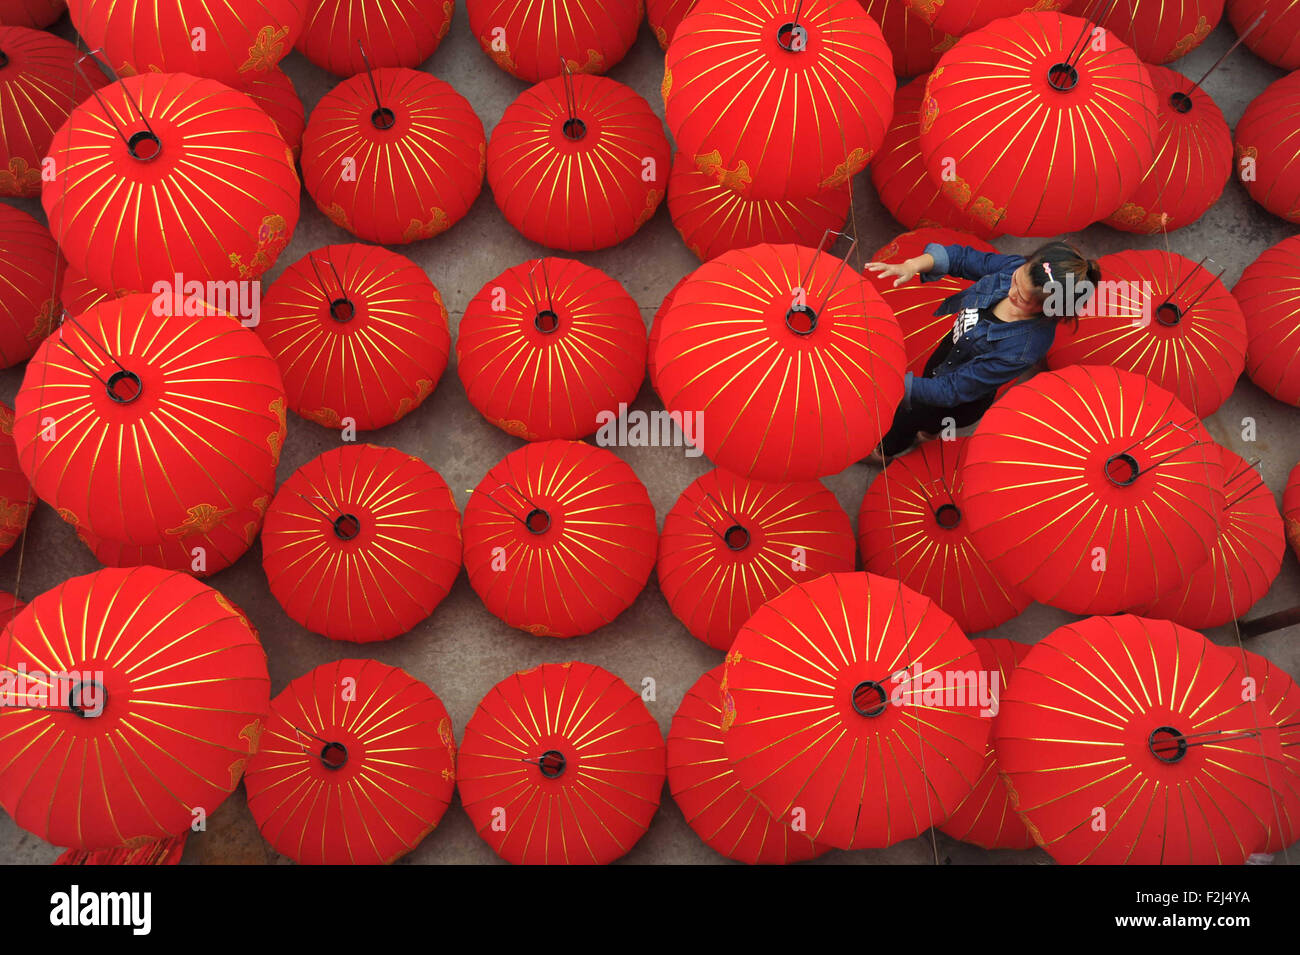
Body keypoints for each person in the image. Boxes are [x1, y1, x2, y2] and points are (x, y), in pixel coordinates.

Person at [863, 240, 1102, 461]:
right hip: (947, 362)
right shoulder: (1015, 268)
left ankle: (884, 452)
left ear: (1050, 309)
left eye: (1023, 298)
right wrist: (913, 264)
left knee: (907, 419)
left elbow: (952, 390)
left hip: (958, 399)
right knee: (927, 403)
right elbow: (964, 259)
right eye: (1016, 280)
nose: (1011, 293)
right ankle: (930, 433)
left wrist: (891, 383)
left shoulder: (1022, 350)